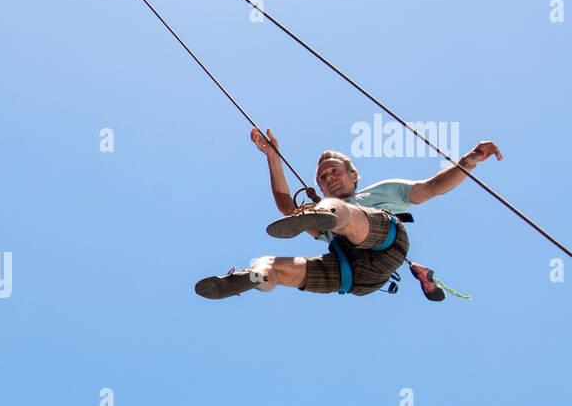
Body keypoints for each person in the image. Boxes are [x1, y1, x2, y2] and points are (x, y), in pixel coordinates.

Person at [195, 127, 503, 299]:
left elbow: (434, 187)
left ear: (353, 175)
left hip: (386, 249)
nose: (327, 178)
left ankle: (328, 218)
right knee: (268, 263)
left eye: (333, 172)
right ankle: (253, 278)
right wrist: (274, 158)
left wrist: (469, 161)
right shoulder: (319, 209)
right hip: (352, 275)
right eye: (322, 178)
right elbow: (287, 208)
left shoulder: (381, 192)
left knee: (338, 211)